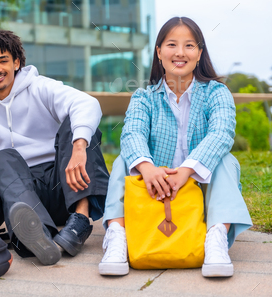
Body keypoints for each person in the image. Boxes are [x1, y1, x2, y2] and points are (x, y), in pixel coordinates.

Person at [0, 30, 110, 265]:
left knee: (78, 125)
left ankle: (79, 221)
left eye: (3, 60)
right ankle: (39, 237)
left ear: (16, 62)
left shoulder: (39, 87)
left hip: (63, 185)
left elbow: (87, 103)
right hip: (17, 191)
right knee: (1, 158)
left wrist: (79, 146)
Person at [98, 17, 252, 278]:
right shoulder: (144, 97)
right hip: (153, 185)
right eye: (172, 44)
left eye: (189, 46)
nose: (180, 52)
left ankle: (215, 240)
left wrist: (187, 171)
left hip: (200, 188)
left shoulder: (217, 92)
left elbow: (221, 133)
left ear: (199, 53)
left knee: (226, 160)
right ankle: (117, 237)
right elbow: (132, 134)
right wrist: (148, 169)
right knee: (126, 159)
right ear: (159, 52)